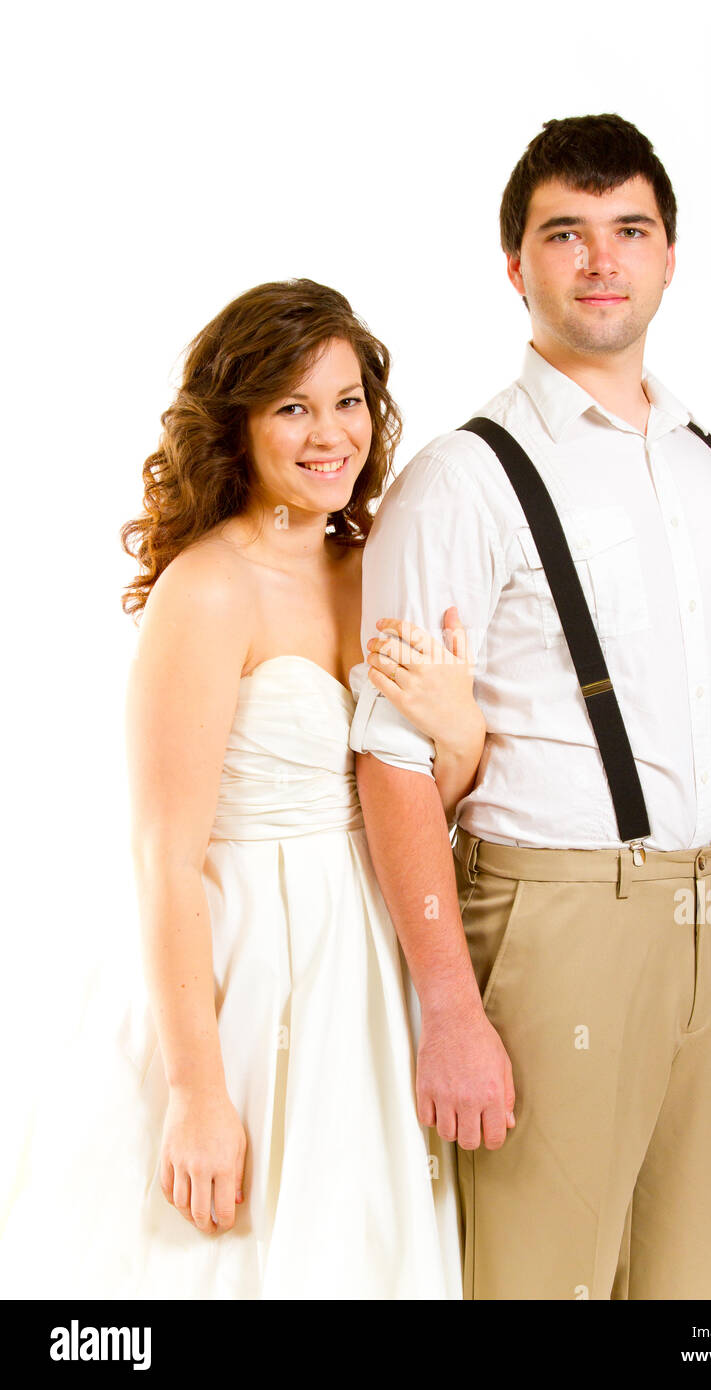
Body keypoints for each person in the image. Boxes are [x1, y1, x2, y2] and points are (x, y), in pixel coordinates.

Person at [348, 114, 711, 1300]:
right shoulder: (462, 478)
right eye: (563, 233)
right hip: (548, 922)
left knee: (685, 1294)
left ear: (669, 256)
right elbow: (390, 757)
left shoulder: (710, 463)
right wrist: (448, 1007)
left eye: (628, 229)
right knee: (536, 1287)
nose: (599, 258)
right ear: (516, 268)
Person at [2, 279, 473, 1300]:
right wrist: (197, 1089)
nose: (328, 434)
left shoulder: (376, 559)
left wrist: (458, 726)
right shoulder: (209, 587)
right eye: (291, 406)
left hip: (374, 953)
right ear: (239, 423)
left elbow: (433, 791)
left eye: (347, 400)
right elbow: (162, 854)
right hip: (249, 964)